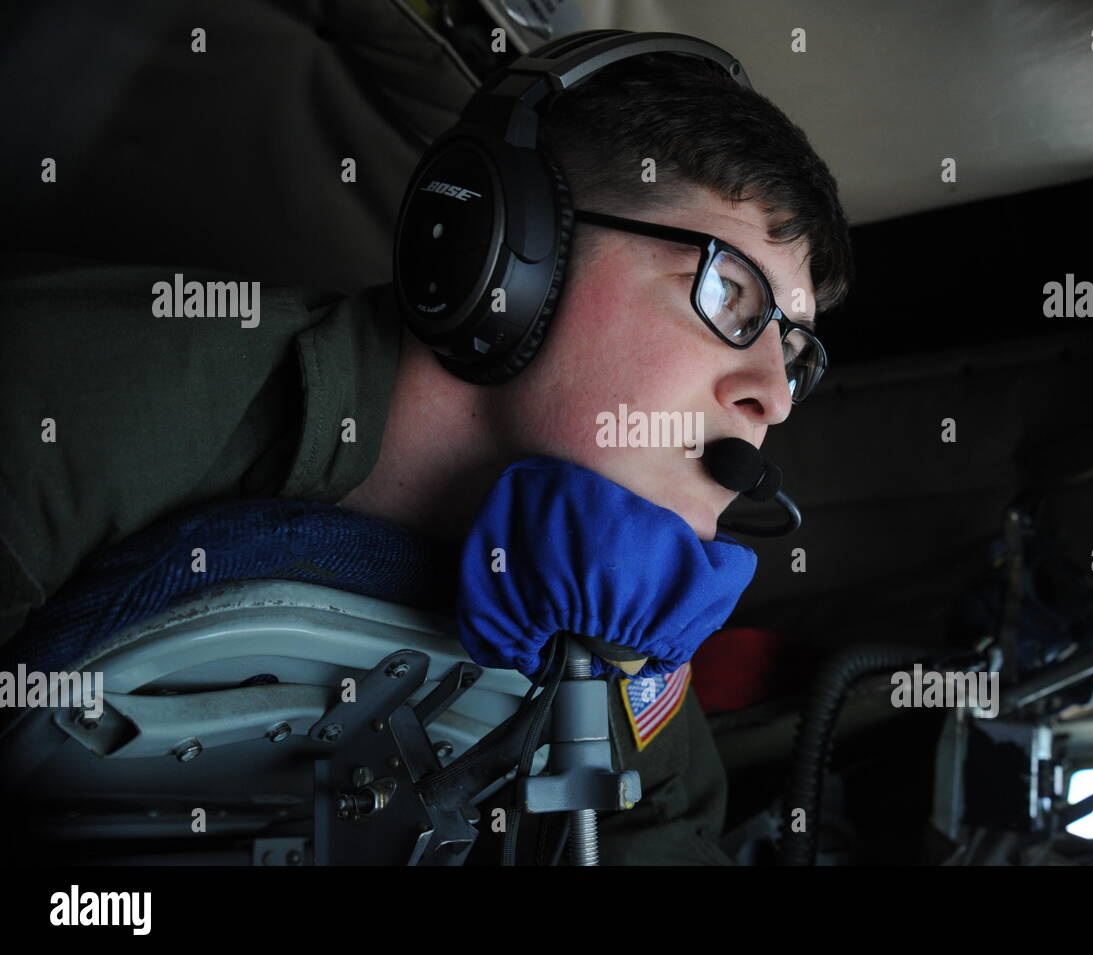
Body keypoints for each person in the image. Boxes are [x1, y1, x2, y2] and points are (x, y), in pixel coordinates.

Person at [0, 47, 853, 864]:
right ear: (508, 252)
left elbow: (666, 832)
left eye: (794, 349)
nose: (773, 394)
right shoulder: (73, 400)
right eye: (727, 292)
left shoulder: (611, 598)